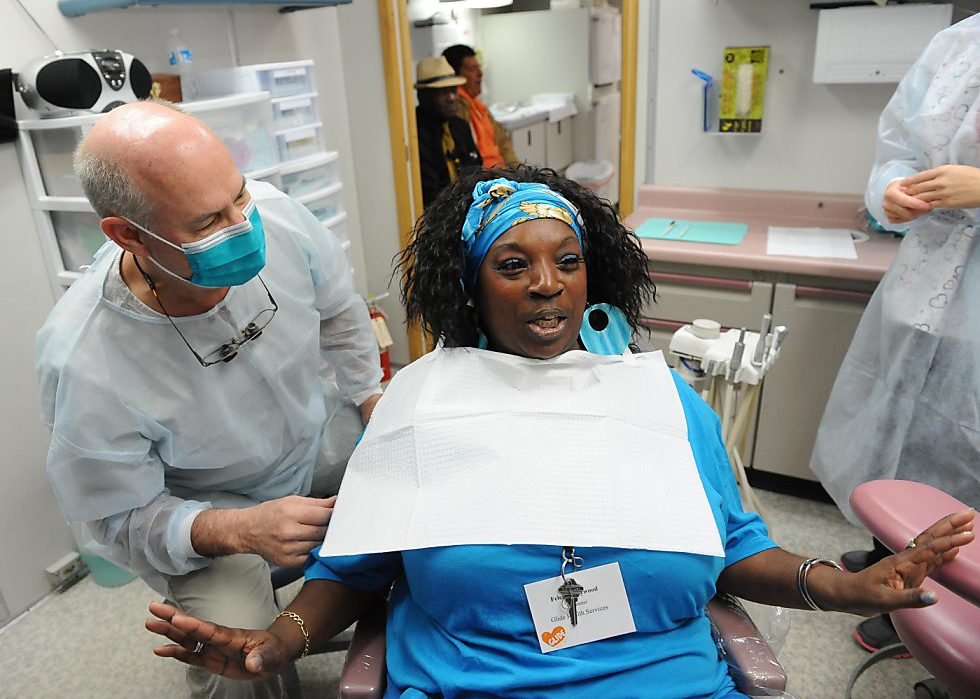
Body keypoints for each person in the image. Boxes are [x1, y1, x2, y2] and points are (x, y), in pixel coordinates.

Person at [147, 166, 974, 699]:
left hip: (669, 685)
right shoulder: (419, 404)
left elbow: (734, 548)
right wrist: (278, 641)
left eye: (567, 262)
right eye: (514, 265)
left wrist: (845, 587)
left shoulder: (660, 399)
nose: (548, 286)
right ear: (472, 289)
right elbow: (355, 572)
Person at [36, 99, 383, 699]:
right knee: (238, 652)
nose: (244, 229)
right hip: (209, 503)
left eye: (239, 197)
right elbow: (118, 518)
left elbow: (341, 314)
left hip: (319, 436)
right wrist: (239, 528)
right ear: (125, 234)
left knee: (429, 505)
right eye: (206, 225)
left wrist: (372, 398)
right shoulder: (85, 358)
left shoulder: (277, 216)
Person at [809, 13, 980, 656]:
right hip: (922, 285)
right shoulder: (960, 40)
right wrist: (892, 193)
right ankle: (892, 550)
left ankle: (940, 596)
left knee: (962, 452)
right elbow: (897, 146)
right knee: (895, 430)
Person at [414, 56, 482, 207]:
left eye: (453, 90)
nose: (451, 98)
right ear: (422, 96)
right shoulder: (415, 133)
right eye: (442, 92)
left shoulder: (460, 126)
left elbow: (478, 172)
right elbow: (430, 192)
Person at [442, 44, 518, 169]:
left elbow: (504, 145)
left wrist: (520, 176)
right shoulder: (455, 110)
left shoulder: (479, 106)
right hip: (483, 182)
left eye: (479, 67)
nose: (480, 74)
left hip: (502, 177)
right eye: (472, 69)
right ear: (456, 76)